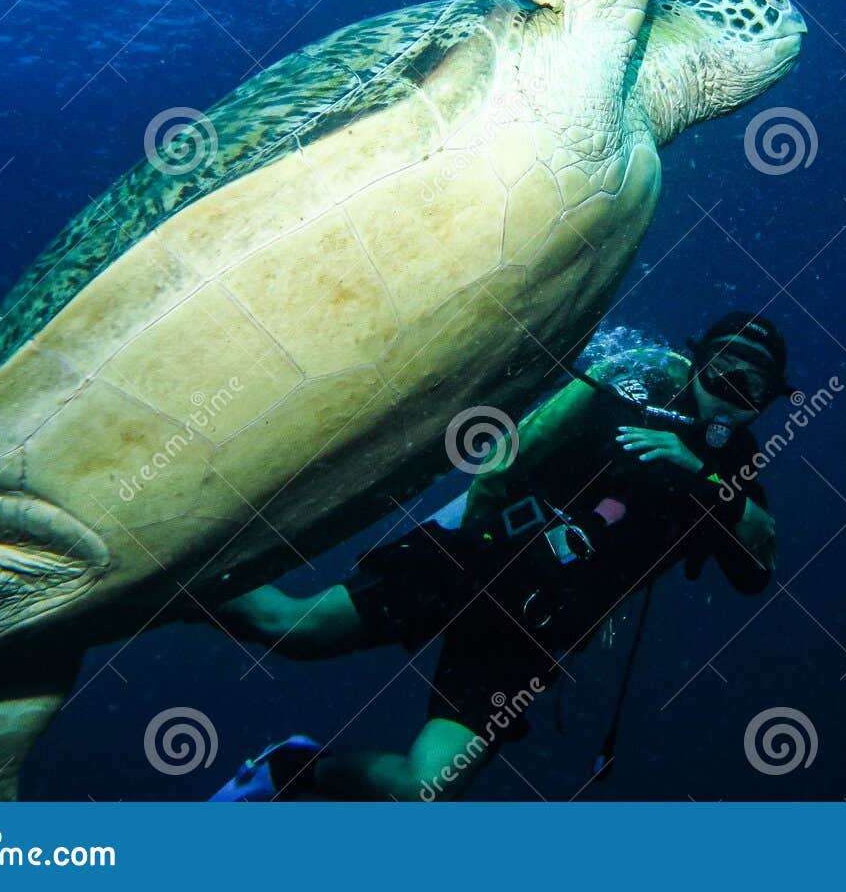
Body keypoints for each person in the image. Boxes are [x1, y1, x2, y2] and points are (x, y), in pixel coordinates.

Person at [206, 313, 794, 801]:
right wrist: (461, 550)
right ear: (697, 362)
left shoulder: (737, 483)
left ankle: (293, 771)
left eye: (754, 386)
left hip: (530, 632)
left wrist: (696, 475)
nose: (732, 393)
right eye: (723, 371)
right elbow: (509, 459)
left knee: (420, 791)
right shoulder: (625, 396)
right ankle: (168, 580)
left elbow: (753, 575)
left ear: (768, 402)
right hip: (474, 558)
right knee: (289, 629)